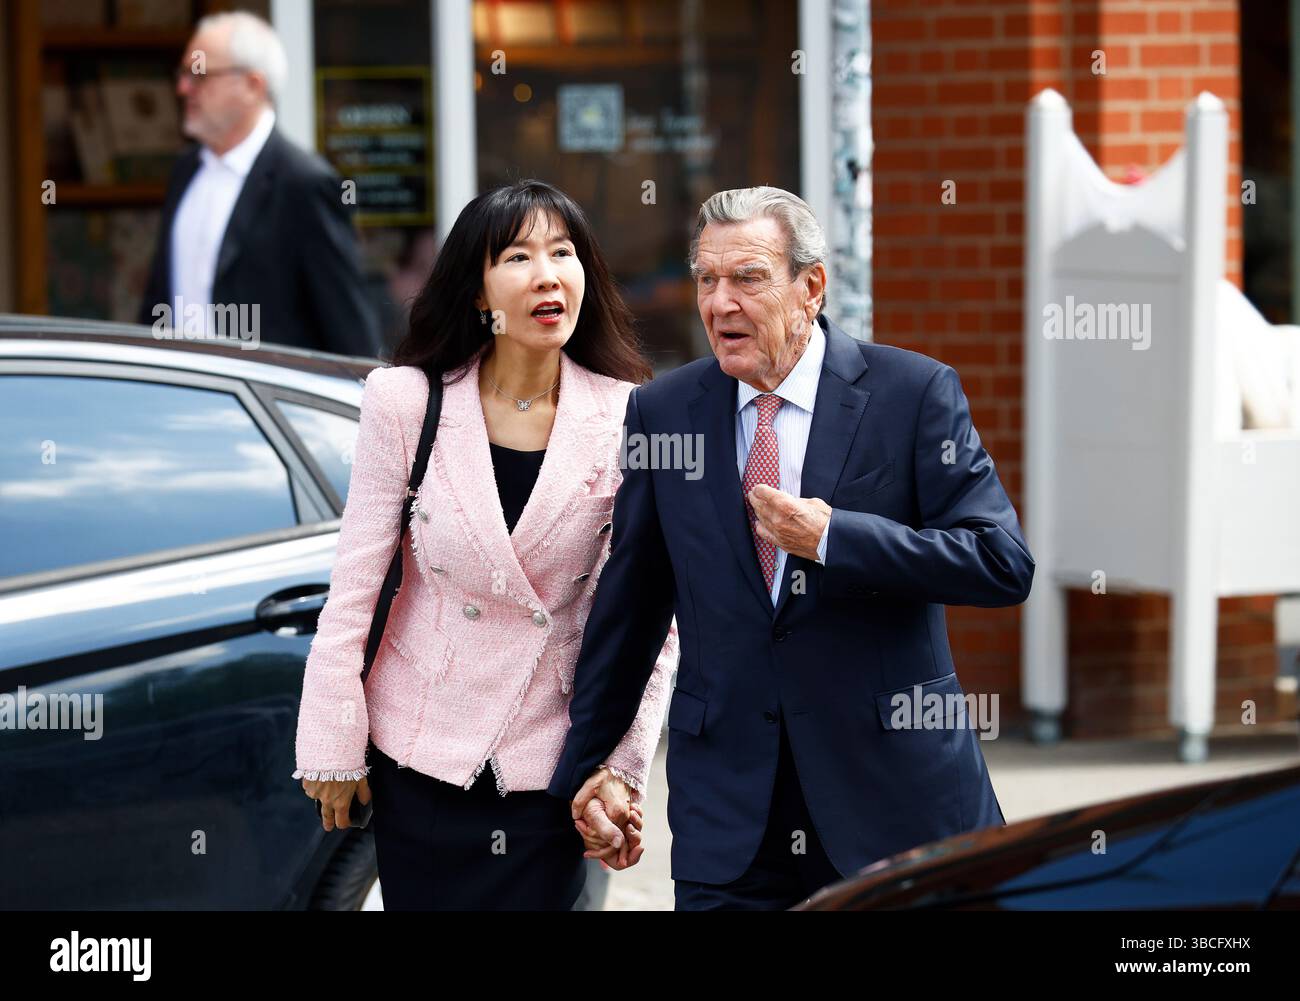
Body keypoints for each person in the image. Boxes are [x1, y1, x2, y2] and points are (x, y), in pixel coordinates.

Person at [549, 185, 1035, 910]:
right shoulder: (664, 410)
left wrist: (835, 536)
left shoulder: (913, 394)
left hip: (895, 806)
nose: (719, 303)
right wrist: (591, 766)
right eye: (706, 279)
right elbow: (631, 607)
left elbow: (1001, 561)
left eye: (747, 278)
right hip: (733, 819)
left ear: (810, 287)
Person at [293, 179, 677, 910]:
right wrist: (334, 740)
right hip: (421, 754)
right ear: (477, 292)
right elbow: (356, 586)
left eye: (563, 253)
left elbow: (651, 623)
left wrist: (621, 771)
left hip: (553, 763)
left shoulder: (630, 416)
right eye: (518, 256)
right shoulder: (406, 401)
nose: (547, 274)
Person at [138, 11, 380, 356]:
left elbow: (348, 328)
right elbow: (158, 301)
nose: (183, 88)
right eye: (183, 74)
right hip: (181, 401)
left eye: (199, 75)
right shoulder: (185, 171)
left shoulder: (305, 184)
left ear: (253, 85)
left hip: (264, 403)